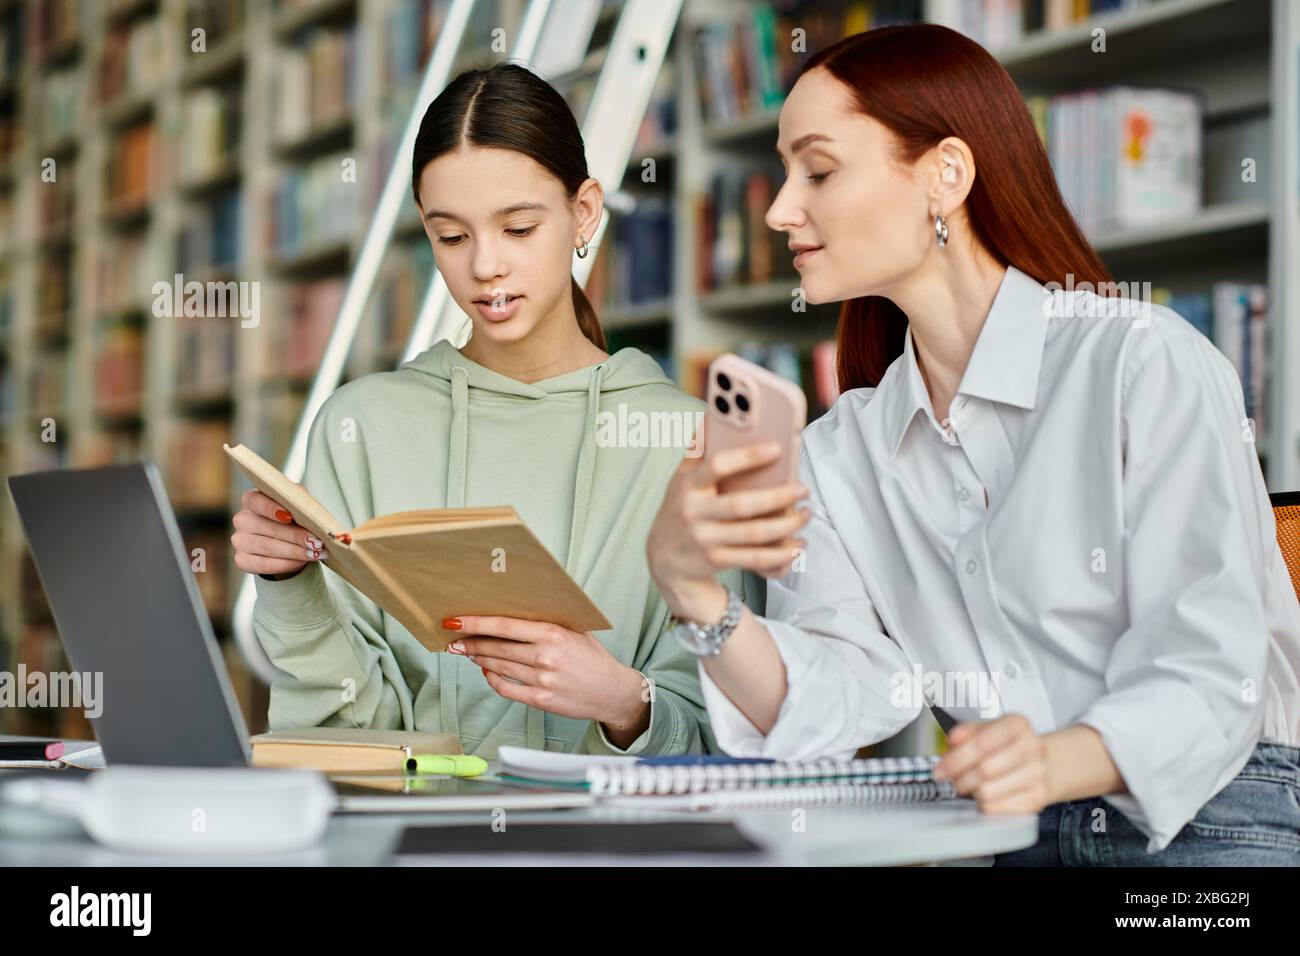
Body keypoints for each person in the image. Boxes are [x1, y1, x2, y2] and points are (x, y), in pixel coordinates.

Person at [644, 24, 1300, 865]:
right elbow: (841, 696)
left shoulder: (1144, 361)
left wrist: (1057, 759)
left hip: (1216, 821)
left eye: (818, 169)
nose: (778, 208)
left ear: (945, 175)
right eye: (783, 172)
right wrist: (693, 592)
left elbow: (1215, 673)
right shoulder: (840, 448)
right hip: (1012, 835)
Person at [232, 62, 742, 758]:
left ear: (584, 212)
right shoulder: (360, 427)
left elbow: (734, 748)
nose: (485, 267)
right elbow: (342, 743)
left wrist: (625, 704)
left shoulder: (690, 443)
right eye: (452, 236)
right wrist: (288, 587)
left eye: (519, 228)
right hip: (409, 845)